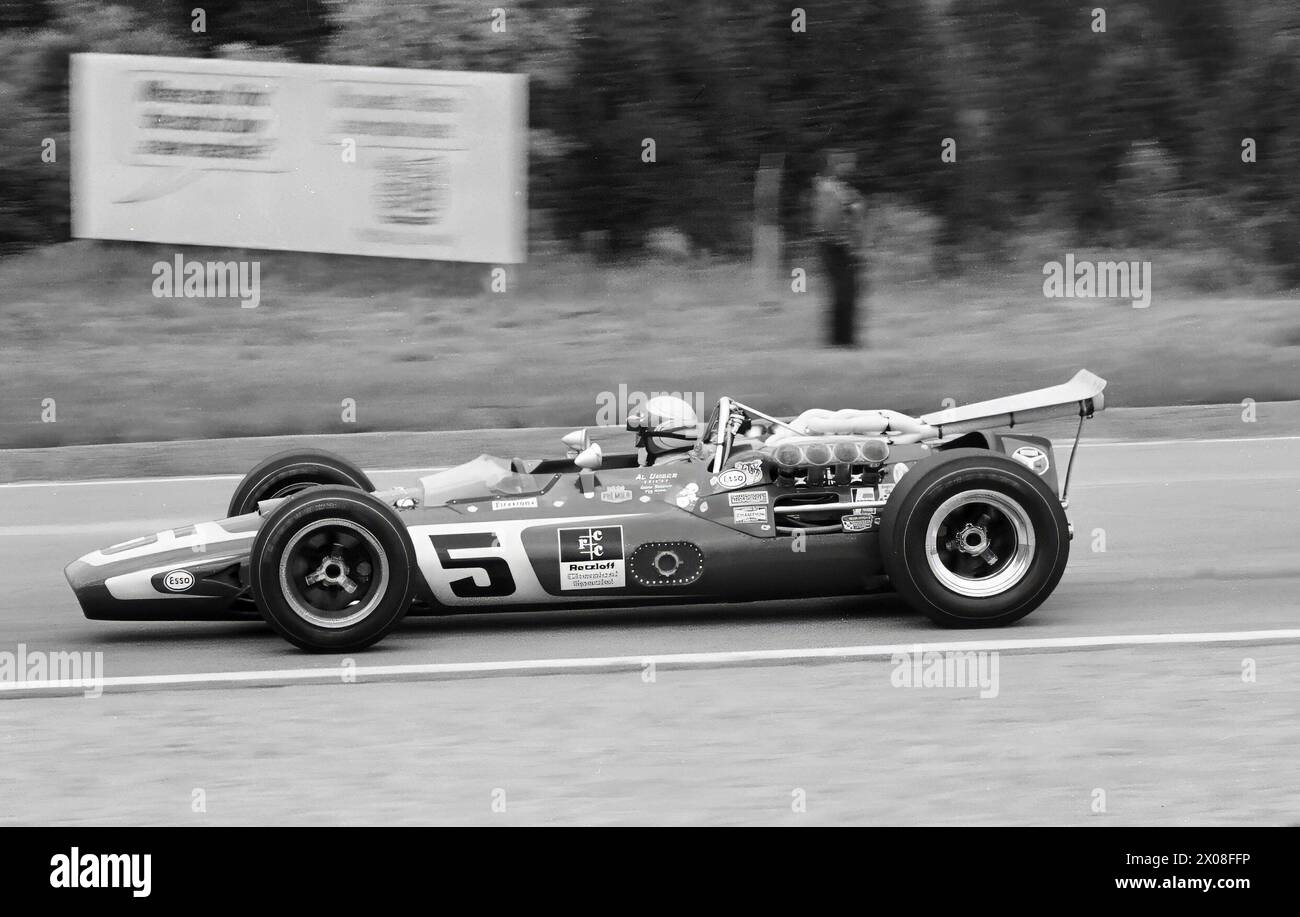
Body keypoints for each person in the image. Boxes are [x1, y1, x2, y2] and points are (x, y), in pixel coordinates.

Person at [810, 149, 866, 347]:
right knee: (846, 292)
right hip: (837, 246)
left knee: (842, 292)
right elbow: (852, 213)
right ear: (835, 167)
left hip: (833, 245)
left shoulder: (827, 187)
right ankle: (843, 341)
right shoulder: (832, 189)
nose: (851, 168)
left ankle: (840, 340)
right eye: (846, 164)